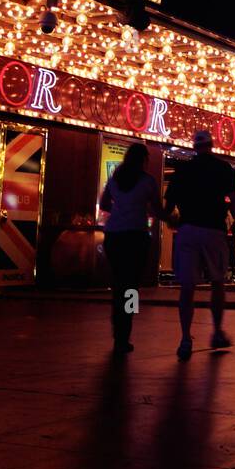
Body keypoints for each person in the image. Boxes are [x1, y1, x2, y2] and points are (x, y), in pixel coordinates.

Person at [165, 129, 235, 359]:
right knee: (217, 283)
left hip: (188, 230)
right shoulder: (223, 168)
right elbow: (234, 199)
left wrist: (167, 219)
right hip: (214, 230)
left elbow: (169, 206)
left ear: (194, 147)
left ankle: (185, 339)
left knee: (188, 288)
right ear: (212, 144)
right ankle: (217, 331)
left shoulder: (183, 170)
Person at [99, 143, 163, 356]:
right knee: (132, 286)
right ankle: (125, 334)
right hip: (136, 236)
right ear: (143, 160)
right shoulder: (147, 182)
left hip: (114, 236)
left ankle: (118, 333)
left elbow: (104, 204)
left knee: (118, 284)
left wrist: (121, 209)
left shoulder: (115, 179)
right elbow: (158, 210)